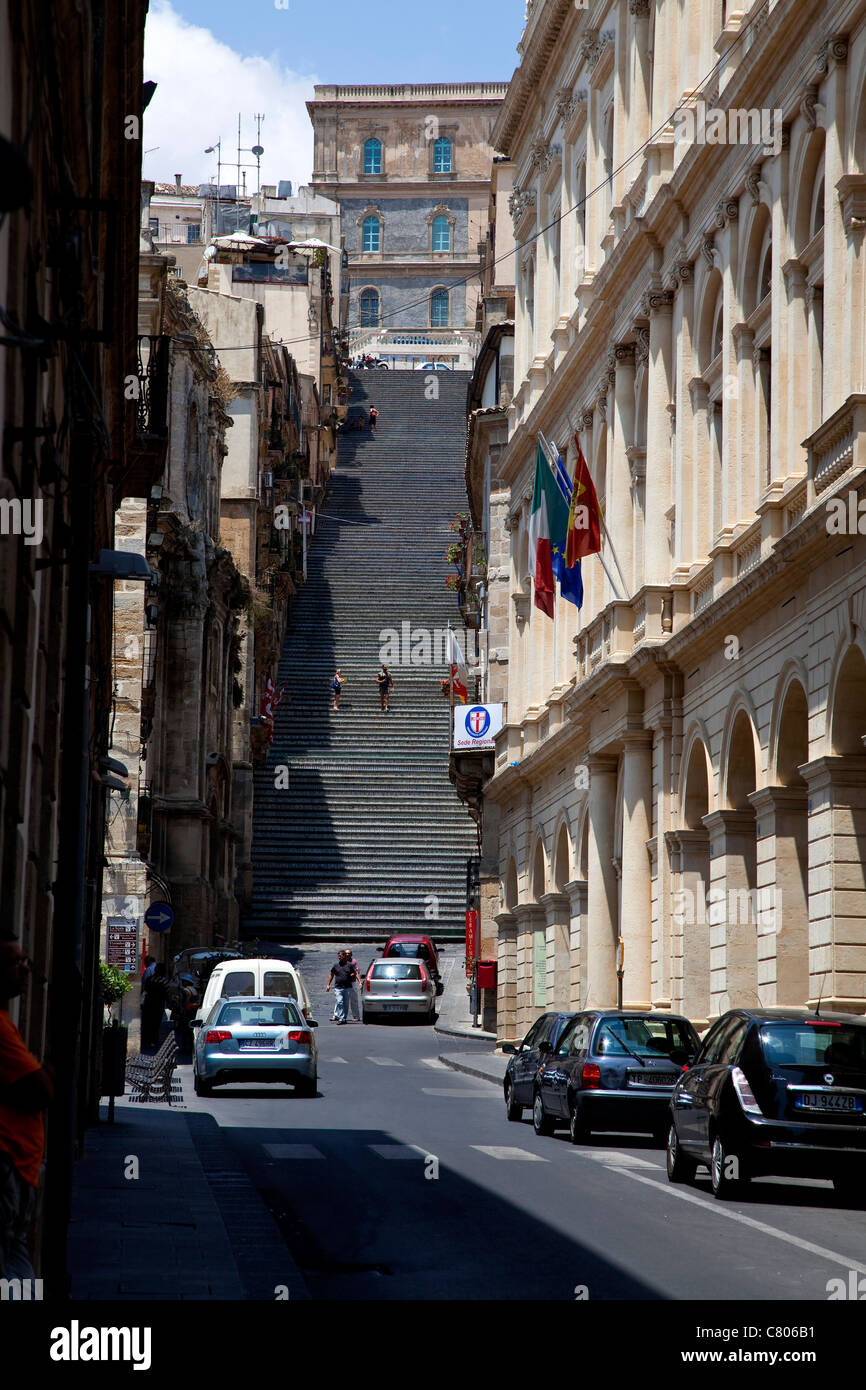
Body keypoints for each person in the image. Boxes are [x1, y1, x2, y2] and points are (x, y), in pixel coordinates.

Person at [0, 937, 53, 1280]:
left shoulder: (6, 1022)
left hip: (20, 1167)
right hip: (7, 1163)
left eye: (25, 959)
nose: (25, 969)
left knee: (16, 1260)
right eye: (14, 961)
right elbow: (41, 1090)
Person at [140, 961, 168, 1050]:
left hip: (148, 1004)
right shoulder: (164, 981)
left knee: (148, 1022)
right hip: (158, 1006)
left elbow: (145, 990)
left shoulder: (150, 979)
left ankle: (147, 1040)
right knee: (156, 1023)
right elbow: (166, 994)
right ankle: (153, 1041)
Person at [326, 950, 357, 1025]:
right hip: (338, 987)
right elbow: (331, 974)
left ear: (344, 956)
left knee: (345, 1004)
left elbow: (355, 972)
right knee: (340, 1002)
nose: (339, 957)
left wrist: (352, 975)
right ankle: (341, 1018)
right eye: (338, 956)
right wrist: (328, 984)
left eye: (340, 956)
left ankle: (344, 1018)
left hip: (347, 987)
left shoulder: (350, 965)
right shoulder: (336, 965)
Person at [346, 950, 361, 1021]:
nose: (347, 954)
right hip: (343, 983)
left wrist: (360, 982)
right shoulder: (342, 961)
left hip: (352, 982)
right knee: (340, 1000)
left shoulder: (354, 962)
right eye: (346, 953)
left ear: (351, 954)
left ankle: (356, 1016)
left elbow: (357, 972)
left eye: (349, 953)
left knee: (354, 1000)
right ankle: (337, 1015)